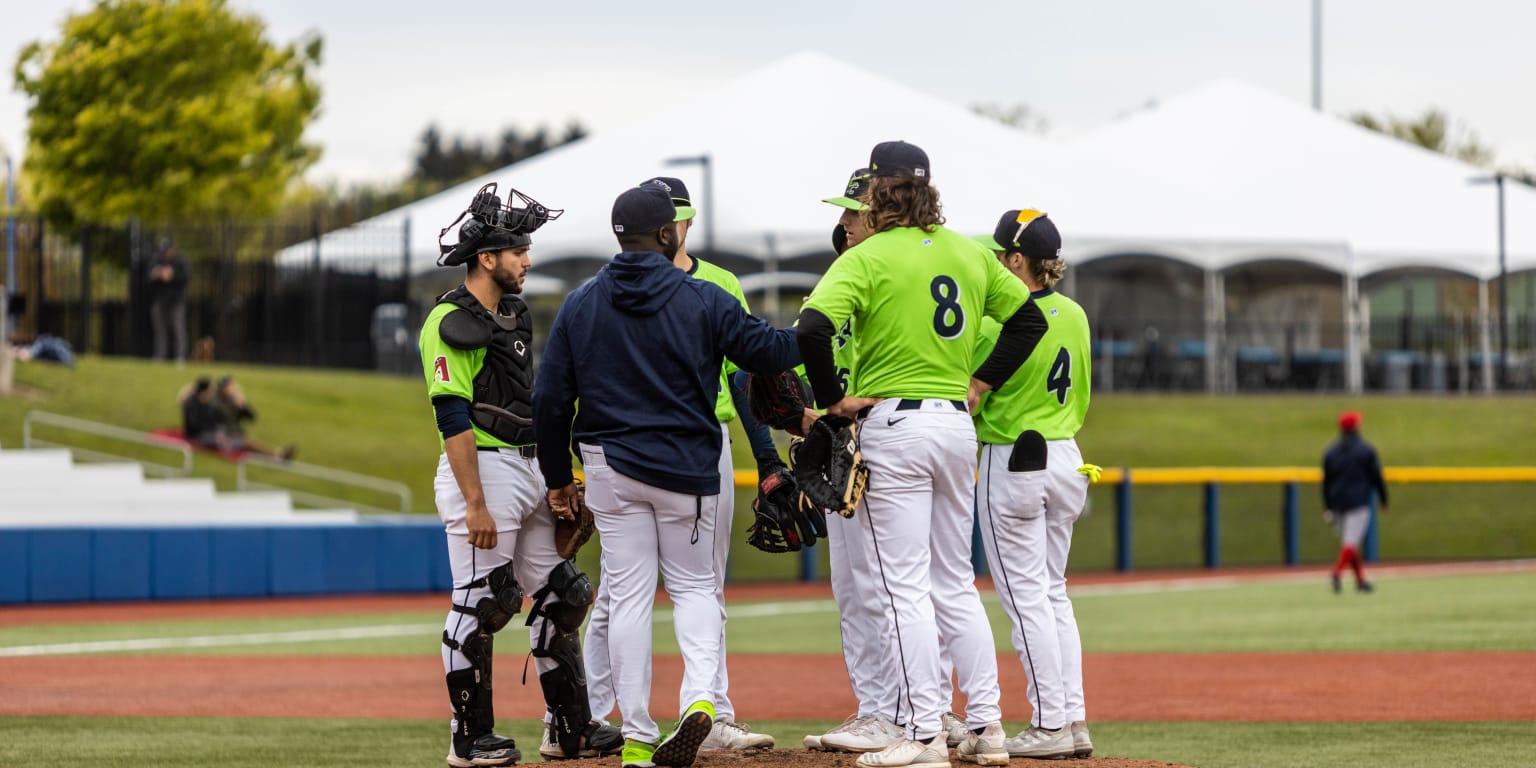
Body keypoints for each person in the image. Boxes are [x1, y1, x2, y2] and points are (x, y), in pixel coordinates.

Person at [796, 142, 1049, 768]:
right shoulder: (966, 249)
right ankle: (989, 729)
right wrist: (982, 381)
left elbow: (810, 329)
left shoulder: (872, 253)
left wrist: (831, 402)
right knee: (955, 581)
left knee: (903, 586)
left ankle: (925, 735)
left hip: (896, 427)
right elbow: (1029, 323)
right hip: (956, 425)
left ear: (878, 192)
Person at [533, 181, 801, 768]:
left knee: (627, 597)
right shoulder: (703, 298)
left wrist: (558, 477)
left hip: (609, 467)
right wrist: (815, 333)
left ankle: (634, 736)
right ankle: (700, 698)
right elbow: (769, 354)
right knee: (694, 587)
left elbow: (550, 400)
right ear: (665, 234)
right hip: (686, 467)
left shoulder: (581, 303)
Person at [420, 183, 621, 768]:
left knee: (566, 593)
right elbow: (451, 414)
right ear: (488, 258)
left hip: (530, 466)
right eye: (518, 251)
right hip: (481, 468)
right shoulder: (448, 320)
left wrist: (558, 477)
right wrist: (473, 501)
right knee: (482, 601)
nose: (527, 260)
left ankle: (570, 730)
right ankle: (468, 739)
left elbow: (531, 401)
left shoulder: (514, 312)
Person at [971, 210, 1095, 759]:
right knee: (1052, 594)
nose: (998, 260)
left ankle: (1049, 727)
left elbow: (972, 392)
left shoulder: (1004, 320)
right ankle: (1073, 718)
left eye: (1002, 254)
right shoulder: (1075, 313)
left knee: (1026, 603)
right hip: (1067, 455)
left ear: (1017, 260)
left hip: (1014, 457)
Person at [1323, 410, 1387, 594]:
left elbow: (1326, 482)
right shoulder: (1365, 450)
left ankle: (1360, 581)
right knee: (1350, 543)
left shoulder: (1331, 452)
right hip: (1358, 502)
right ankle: (1336, 573)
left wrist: (1327, 506)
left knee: (1349, 543)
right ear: (1356, 427)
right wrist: (1383, 498)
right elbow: (1376, 477)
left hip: (1336, 502)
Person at [210, 375, 296, 461]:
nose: (233, 389)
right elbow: (219, 419)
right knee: (248, 444)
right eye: (231, 386)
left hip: (236, 433)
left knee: (249, 443)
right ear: (224, 387)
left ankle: (278, 455)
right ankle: (278, 455)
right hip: (226, 435)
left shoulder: (232, 399)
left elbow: (252, 418)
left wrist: (243, 405)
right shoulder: (216, 401)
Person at [147, 238, 189, 362]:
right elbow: (147, 279)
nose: (164, 254)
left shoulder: (180, 261)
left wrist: (172, 275)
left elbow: (186, 278)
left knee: (178, 329)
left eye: (166, 251)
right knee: (160, 331)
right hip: (160, 301)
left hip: (176, 301)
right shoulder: (156, 260)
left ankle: (180, 357)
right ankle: (160, 356)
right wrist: (155, 275)